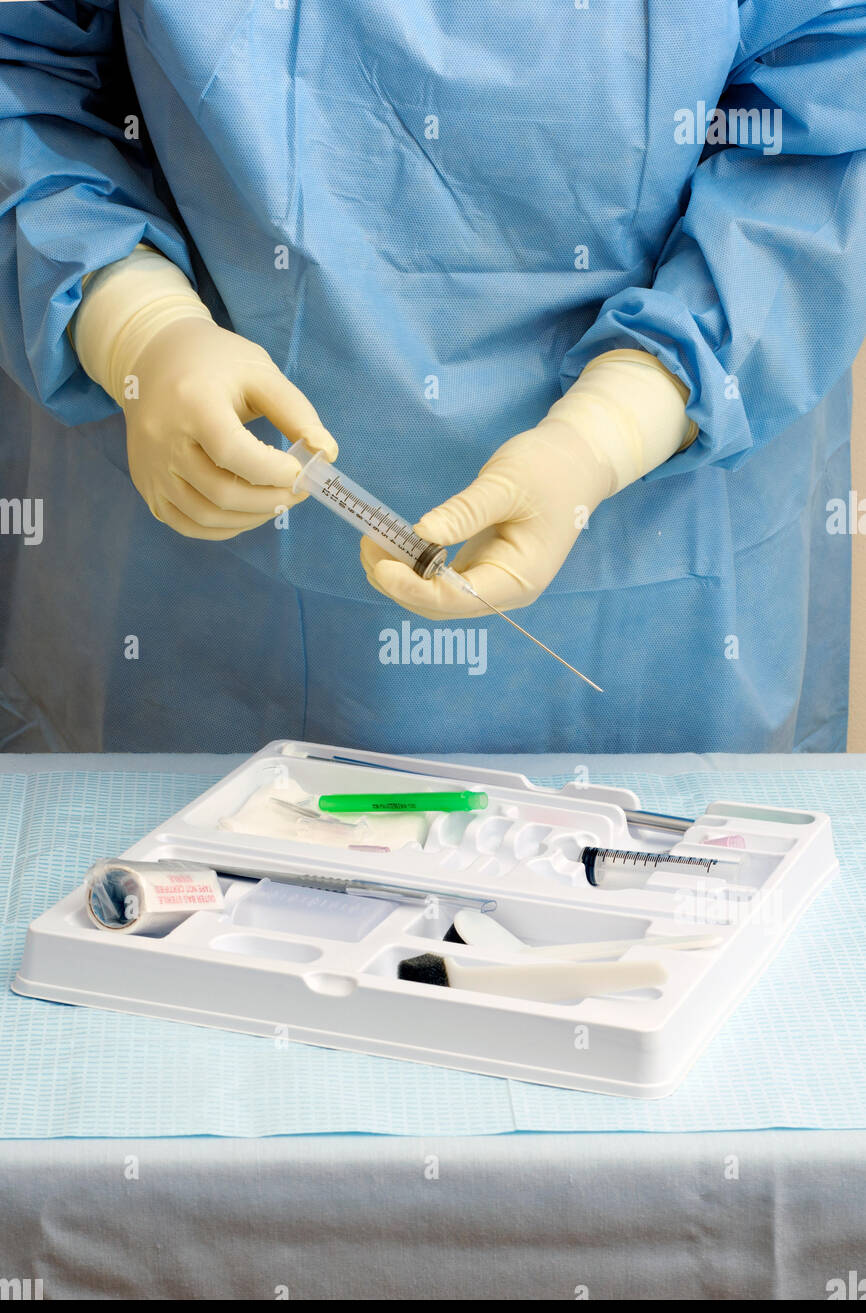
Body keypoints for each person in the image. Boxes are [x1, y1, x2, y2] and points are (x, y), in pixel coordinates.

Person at [1, 2, 864, 753]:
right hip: (198, 615)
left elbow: (830, 118)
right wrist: (135, 322)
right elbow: (23, 72)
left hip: (655, 613)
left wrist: (611, 428)